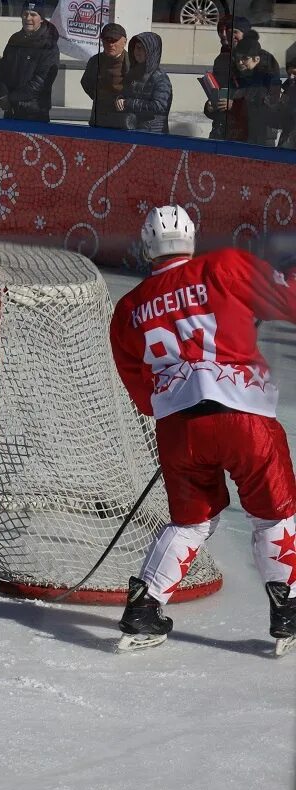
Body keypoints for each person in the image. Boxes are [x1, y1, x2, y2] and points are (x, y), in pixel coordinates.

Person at [109, 205, 296, 654]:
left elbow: (140, 389)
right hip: (244, 416)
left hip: (180, 430)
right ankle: (287, 610)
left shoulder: (129, 309)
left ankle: (144, 607)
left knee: (192, 521)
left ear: (146, 245)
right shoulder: (226, 265)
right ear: (191, 238)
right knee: (274, 512)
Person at [0, 0, 59, 123]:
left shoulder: (49, 44)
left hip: (35, 113)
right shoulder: (15, 39)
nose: (28, 18)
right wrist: (2, 95)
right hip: (10, 111)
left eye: (33, 15)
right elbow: (2, 71)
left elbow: (40, 81)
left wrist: (11, 98)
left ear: (41, 19)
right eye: (25, 14)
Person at [115, 31, 170, 133]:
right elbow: (125, 94)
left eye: (142, 48)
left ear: (151, 51)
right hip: (132, 129)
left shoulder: (160, 77)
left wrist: (128, 103)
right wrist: (120, 99)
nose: (137, 51)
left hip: (153, 134)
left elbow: (159, 106)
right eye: (136, 47)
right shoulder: (133, 73)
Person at [80, 21, 127, 129]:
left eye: (114, 40)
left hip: (123, 119)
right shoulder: (95, 61)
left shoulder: (133, 63)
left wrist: (124, 101)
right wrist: (100, 98)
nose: (110, 44)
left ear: (124, 41)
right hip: (100, 118)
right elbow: (86, 82)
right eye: (107, 40)